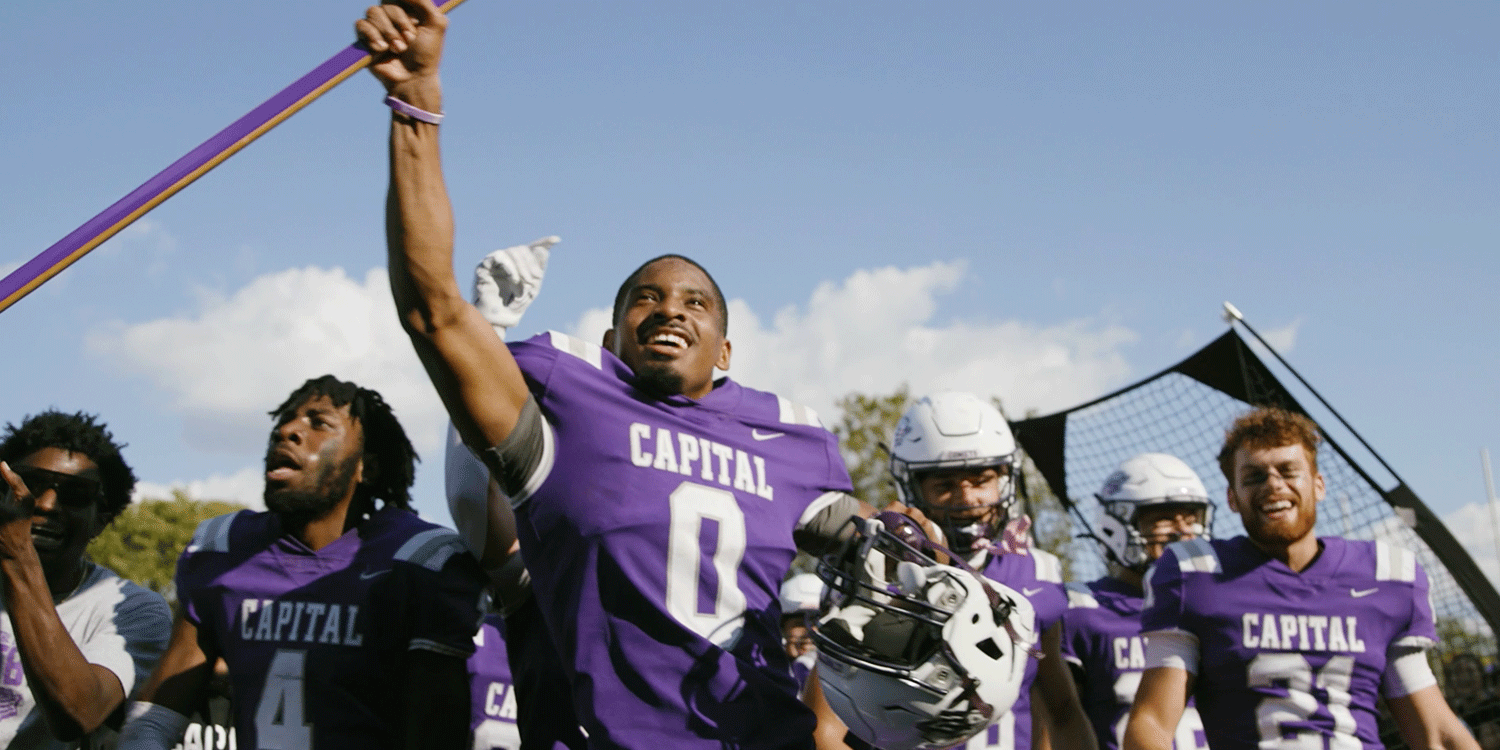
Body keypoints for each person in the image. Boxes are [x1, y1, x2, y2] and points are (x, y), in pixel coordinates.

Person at [356, 3, 912, 747]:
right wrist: (417, 101)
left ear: (725, 350)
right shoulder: (565, 415)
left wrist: (909, 540)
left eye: (695, 302)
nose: (668, 309)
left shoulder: (795, 444)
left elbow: (874, 546)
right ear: (613, 337)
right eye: (644, 298)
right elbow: (434, 312)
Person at [118, 375, 487, 750]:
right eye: (285, 421)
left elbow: (436, 735)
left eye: (319, 423)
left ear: (367, 468)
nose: (288, 431)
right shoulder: (224, 549)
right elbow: (154, 719)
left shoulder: (418, 559)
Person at [1124, 406, 1478, 750]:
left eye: (1288, 471)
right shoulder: (1194, 576)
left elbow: (1436, 734)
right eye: (1255, 477)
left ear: (1318, 485)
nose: (1274, 485)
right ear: (1232, 498)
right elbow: (1151, 723)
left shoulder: (1387, 577)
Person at [809, 392, 1097, 750]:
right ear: (911, 487)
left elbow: (1063, 711)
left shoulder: (1037, 571)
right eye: (944, 485)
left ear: (1005, 480)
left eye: (980, 480)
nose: (967, 497)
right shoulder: (878, 574)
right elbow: (824, 730)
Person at [0, 410, 171, 749]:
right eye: (31, 485)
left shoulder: (133, 610)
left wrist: (17, 554)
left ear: (101, 522)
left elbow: (77, 712)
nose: (46, 505)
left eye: (75, 494)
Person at [1060, 453, 1211, 750]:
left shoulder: (1211, 608)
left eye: (1191, 518)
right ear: (1116, 524)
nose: (1183, 531)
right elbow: (1057, 719)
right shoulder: (1081, 609)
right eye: (1164, 517)